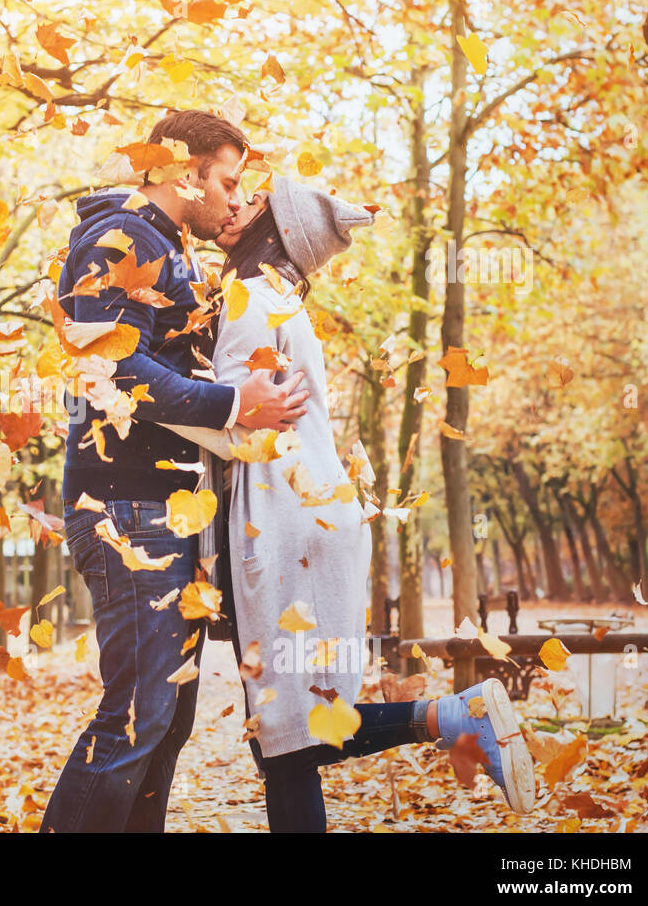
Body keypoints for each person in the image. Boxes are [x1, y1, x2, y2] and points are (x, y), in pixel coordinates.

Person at [161, 175, 538, 831]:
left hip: (283, 530)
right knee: (286, 739)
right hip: (314, 523)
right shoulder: (282, 299)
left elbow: (239, 424)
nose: (236, 201)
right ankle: (448, 717)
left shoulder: (249, 296)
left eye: (253, 199)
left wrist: (148, 405)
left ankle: (454, 715)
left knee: (285, 735)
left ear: (272, 228)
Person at [41, 110, 310, 833]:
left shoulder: (170, 249)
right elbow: (109, 369)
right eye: (226, 180)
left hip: (169, 512)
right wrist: (232, 404)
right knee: (137, 717)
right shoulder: (117, 239)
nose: (232, 196)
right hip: (126, 511)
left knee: (165, 723)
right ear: (186, 172)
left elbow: (187, 354)